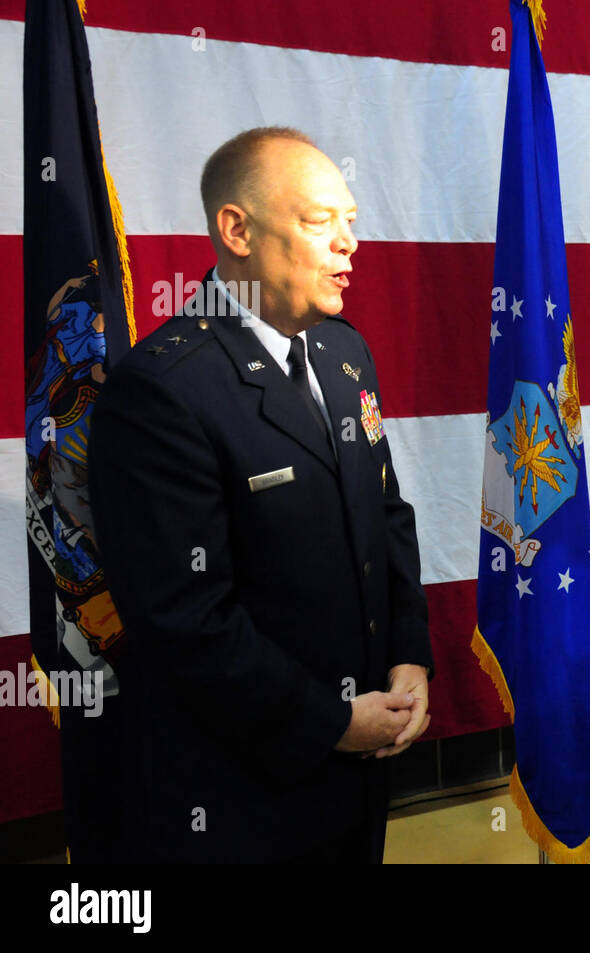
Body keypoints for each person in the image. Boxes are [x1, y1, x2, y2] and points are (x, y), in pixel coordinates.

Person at [89, 127, 434, 863]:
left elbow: (386, 514)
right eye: (319, 221)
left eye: (351, 221)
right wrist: (331, 721)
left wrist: (409, 654)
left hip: (361, 764)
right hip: (245, 790)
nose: (349, 244)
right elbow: (184, 619)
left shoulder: (343, 351)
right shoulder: (162, 390)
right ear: (237, 230)